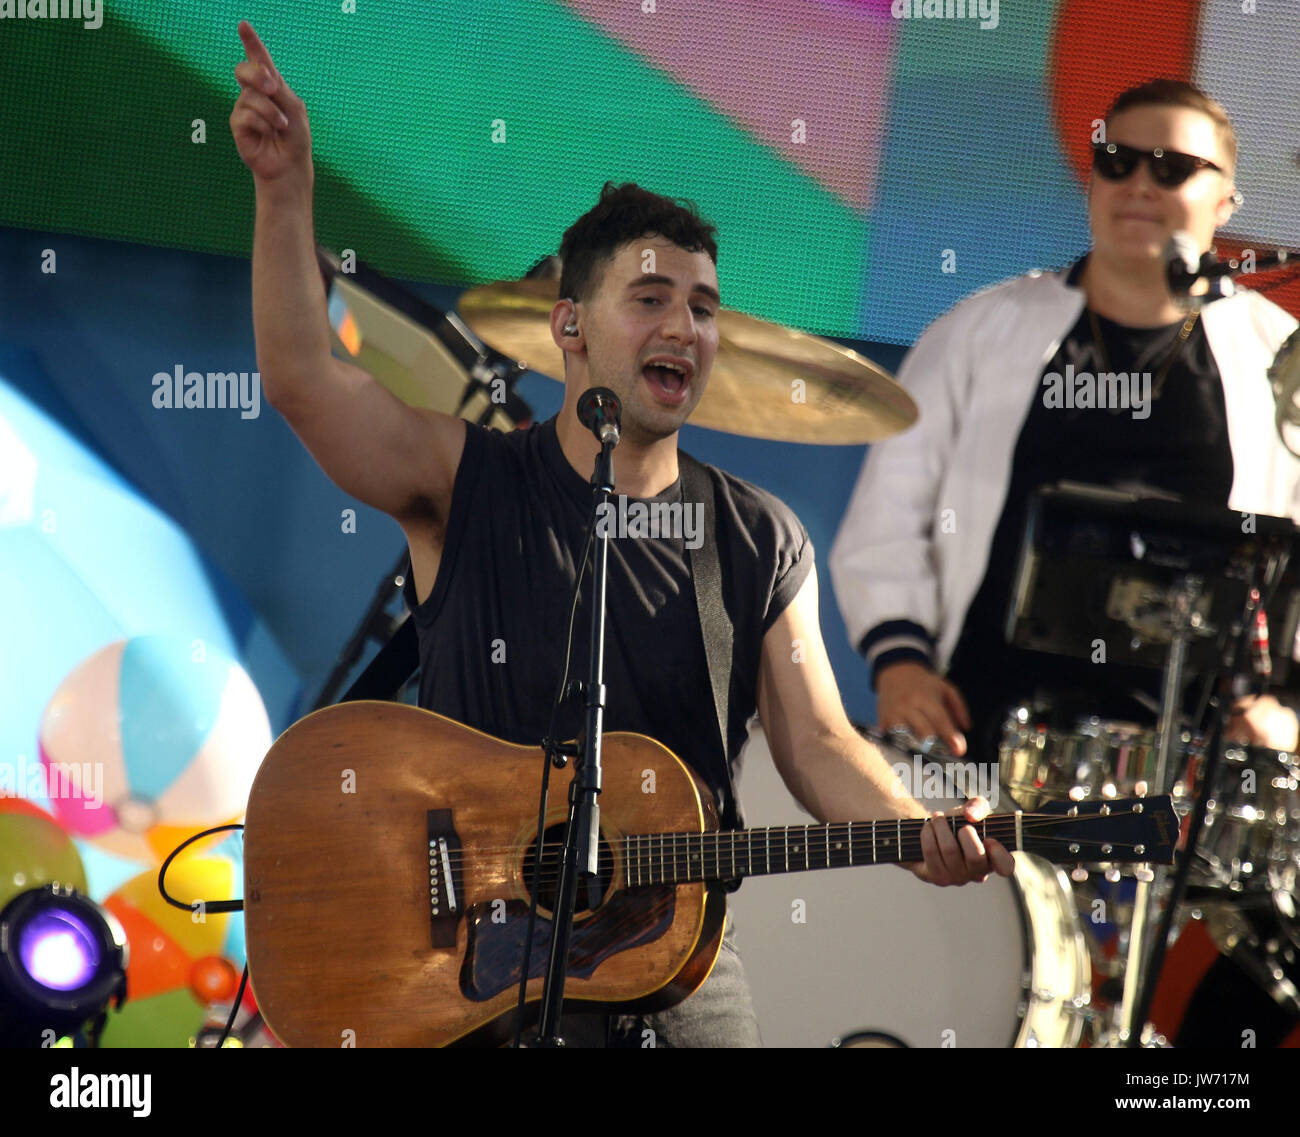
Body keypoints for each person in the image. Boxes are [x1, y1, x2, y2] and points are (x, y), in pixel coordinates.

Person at [229, 19, 1013, 1048]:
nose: (683, 326)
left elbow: (818, 737)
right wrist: (285, 195)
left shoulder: (757, 538)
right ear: (569, 326)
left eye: (703, 306)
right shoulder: (466, 476)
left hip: (671, 960)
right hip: (457, 965)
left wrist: (913, 831)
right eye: (649, 299)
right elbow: (301, 379)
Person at [828, 78, 1300, 1046]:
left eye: (1171, 166)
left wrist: (1279, 705)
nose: (1136, 183)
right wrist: (899, 659)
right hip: (988, 737)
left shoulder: (1272, 357)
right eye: (1115, 160)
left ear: (1226, 201)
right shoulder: (980, 330)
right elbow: (889, 516)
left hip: (1196, 762)